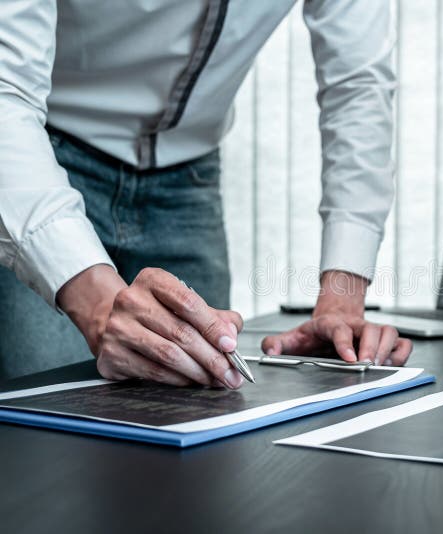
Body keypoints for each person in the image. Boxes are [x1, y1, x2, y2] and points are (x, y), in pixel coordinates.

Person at [0, 1, 411, 387]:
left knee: (204, 405)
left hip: (188, 179)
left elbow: (358, 88)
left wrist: (341, 303)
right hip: (39, 160)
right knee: (45, 416)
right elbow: (6, 91)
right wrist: (99, 307)